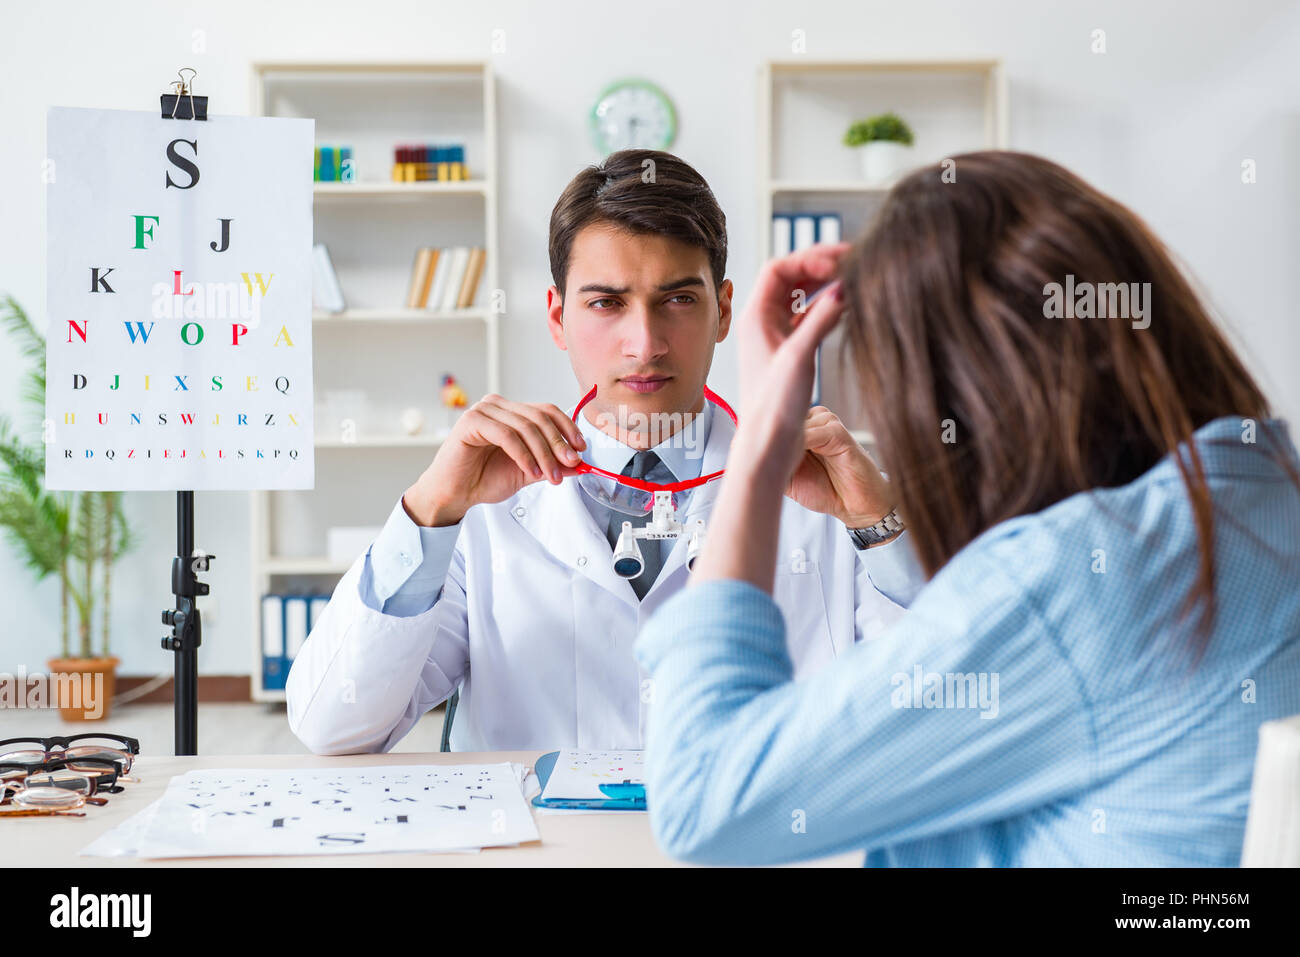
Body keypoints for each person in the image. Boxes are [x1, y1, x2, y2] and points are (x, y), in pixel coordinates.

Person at [636, 150, 1300, 867]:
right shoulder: (1264, 493)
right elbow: (1015, 652)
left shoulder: (1082, 585)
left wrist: (759, 446)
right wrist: (876, 521)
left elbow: (704, 799)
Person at [286, 149, 915, 754]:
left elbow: (939, 722)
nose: (644, 344)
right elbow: (335, 728)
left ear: (723, 311)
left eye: (678, 299)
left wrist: (881, 527)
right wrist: (428, 512)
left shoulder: (833, 497)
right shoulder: (475, 510)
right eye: (606, 303)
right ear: (557, 316)